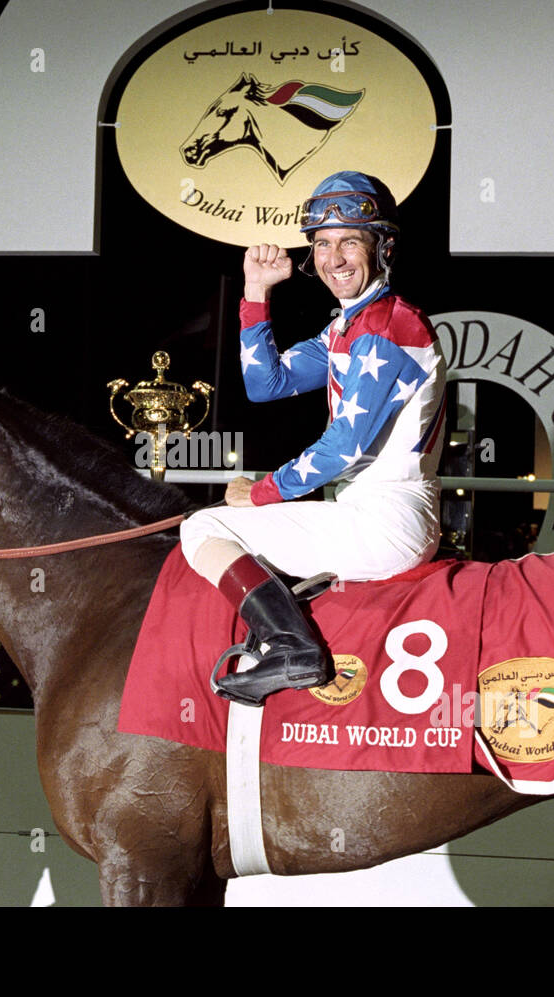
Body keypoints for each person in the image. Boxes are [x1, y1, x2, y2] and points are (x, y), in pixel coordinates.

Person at [180, 171, 446, 705]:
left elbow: (342, 449)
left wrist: (257, 493)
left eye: (351, 241)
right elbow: (265, 383)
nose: (334, 258)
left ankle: (291, 648)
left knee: (202, 527)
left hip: (387, 521)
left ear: (383, 247)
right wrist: (256, 292)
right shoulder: (349, 325)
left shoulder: (390, 327)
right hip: (371, 514)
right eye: (322, 244)